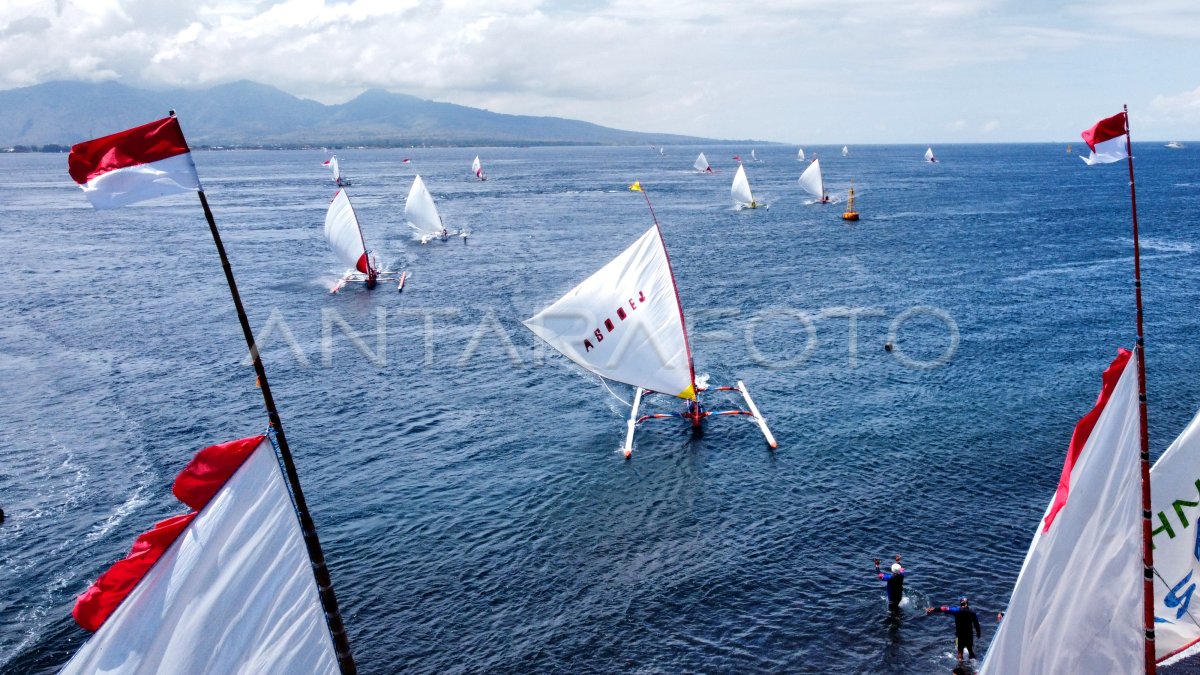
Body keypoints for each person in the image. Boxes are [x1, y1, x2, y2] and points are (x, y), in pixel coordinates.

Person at [927, 596, 982, 663]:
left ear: (960, 603)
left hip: (960, 635)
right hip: (969, 635)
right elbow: (976, 624)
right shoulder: (972, 613)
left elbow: (944, 609)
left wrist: (934, 609)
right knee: (970, 650)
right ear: (967, 603)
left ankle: (960, 667)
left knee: (960, 652)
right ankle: (974, 665)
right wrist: (978, 633)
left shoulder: (957, 610)